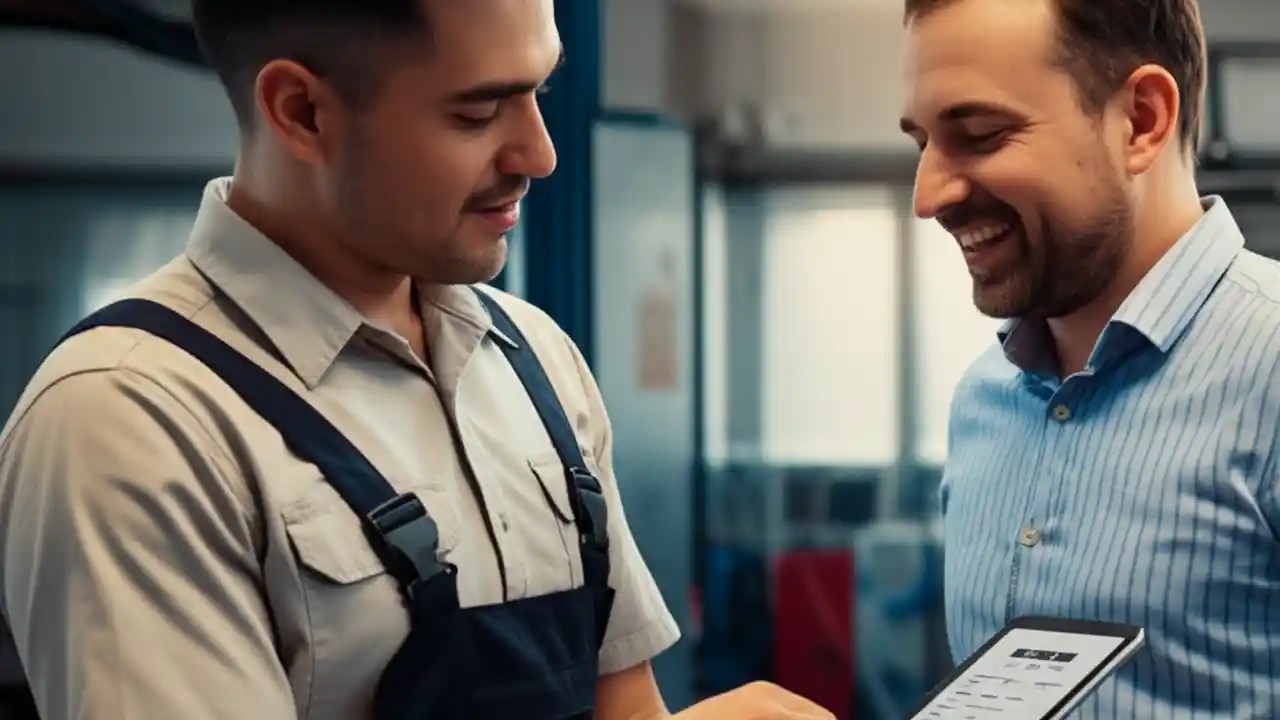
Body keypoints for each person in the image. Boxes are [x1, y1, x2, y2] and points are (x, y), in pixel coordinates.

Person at [0, 1, 835, 719]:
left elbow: (624, 704)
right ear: (303, 112)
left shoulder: (533, 360)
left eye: (539, 92)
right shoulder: (132, 422)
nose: (539, 154)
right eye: (479, 114)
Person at [899, 0, 1280, 715]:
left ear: (1140, 120)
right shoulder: (982, 401)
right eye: (920, 142)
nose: (928, 196)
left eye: (979, 134)